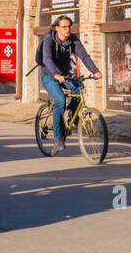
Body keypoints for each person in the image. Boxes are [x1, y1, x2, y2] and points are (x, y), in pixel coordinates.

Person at [38, 16, 101, 152]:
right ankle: (57, 138)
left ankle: (72, 115)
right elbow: (47, 59)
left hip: (65, 76)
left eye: (69, 27)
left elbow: (84, 56)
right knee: (60, 100)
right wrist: (55, 74)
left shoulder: (73, 40)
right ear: (57, 28)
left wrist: (95, 71)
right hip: (49, 76)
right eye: (64, 27)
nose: (67, 29)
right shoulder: (49, 39)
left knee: (78, 88)